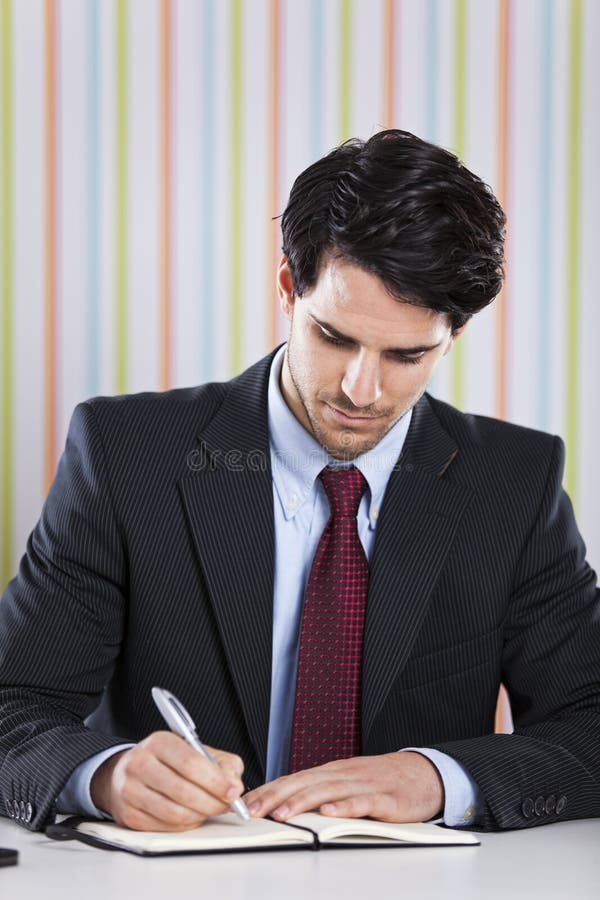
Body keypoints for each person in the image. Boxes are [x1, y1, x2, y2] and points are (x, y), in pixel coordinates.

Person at [1, 130, 599, 835]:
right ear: (289, 286)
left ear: (453, 335)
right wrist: (104, 775)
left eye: (408, 355)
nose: (361, 389)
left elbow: (588, 724)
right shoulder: (125, 455)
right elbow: (15, 705)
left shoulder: (515, 485)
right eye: (335, 337)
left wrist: (439, 776)